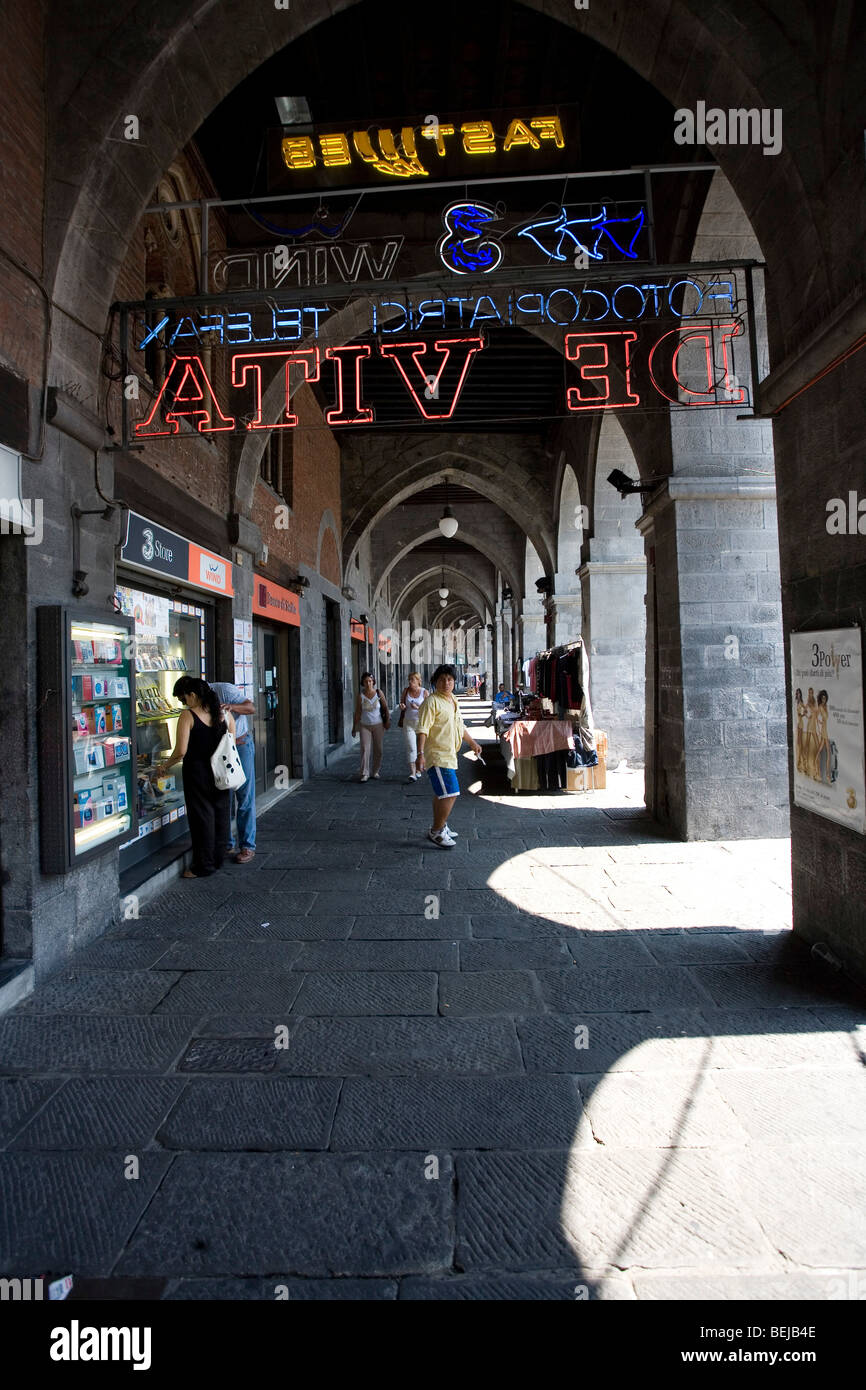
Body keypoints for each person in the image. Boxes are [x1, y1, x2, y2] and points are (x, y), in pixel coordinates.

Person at [154, 676, 236, 878]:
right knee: (221, 814)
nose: (183, 703)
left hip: (197, 773)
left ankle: (203, 866)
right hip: (221, 771)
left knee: (202, 819)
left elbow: (181, 751)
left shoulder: (188, 716)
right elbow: (231, 742)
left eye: (183, 699)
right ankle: (217, 858)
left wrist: (164, 766)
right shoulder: (224, 713)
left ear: (192, 695)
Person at [416, 663, 483, 848]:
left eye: (450, 679)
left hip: (450, 754)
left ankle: (440, 826)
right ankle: (436, 832)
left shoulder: (453, 700)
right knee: (451, 792)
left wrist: (473, 743)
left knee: (442, 793)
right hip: (437, 755)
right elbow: (422, 729)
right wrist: (420, 754)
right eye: (442, 679)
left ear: (454, 681)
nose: (446, 682)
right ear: (435, 682)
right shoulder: (431, 702)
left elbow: (459, 726)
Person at [210, 679, 257, 863]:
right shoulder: (198, 703)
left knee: (244, 797)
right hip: (220, 750)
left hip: (241, 745)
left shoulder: (224, 690)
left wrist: (231, 707)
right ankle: (226, 843)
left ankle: (247, 846)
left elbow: (251, 708)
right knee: (224, 797)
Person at [352, 671, 390, 781]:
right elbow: (358, 712)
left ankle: (375, 771)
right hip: (365, 725)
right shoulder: (361, 696)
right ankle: (364, 773)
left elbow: (386, 708)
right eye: (366, 681)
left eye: (370, 681)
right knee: (365, 748)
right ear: (362, 683)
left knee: (379, 749)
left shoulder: (379, 693)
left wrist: (387, 721)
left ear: (373, 682)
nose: (368, 683)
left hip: (378, 725)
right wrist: (354, 728)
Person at [398, 671, 428, 781]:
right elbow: (402, 704)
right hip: (408, 722)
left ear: (418, 681)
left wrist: (417, 708)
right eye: (409, 680)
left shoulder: (424, 692)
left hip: (421, 724)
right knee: (411, 747)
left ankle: (419, 769)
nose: (410, 682)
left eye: (412, 680)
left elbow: (428, 710)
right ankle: (413, 772)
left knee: (421, 749)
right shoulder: (405, 691)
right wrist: (402, 706)